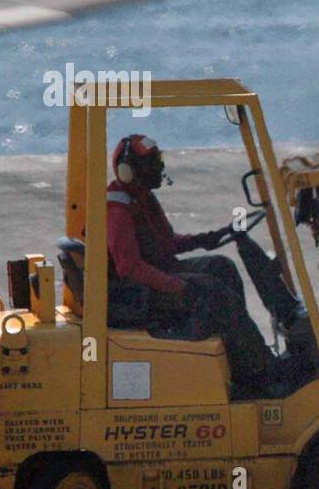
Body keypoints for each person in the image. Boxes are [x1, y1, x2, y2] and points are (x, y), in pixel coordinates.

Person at [105, 133, 281, 400]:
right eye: (151, 164)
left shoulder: (140, 197)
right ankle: (260, 373)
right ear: (128, 170)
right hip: (138, 293)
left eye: (158, 161)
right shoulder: (118, 209)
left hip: (155, 275)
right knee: (214, 293)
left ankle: (239, 357)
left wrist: (203, 240)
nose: (159, 168)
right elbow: (129, 267)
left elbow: (162, 243)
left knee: (222, 267)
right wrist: (179, 288)